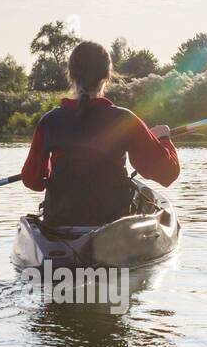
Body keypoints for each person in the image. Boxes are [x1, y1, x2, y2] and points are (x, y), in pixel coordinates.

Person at [19, 41, 179, 226]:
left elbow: (33, 181)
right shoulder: (125, 120)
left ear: (71, 75)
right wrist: (164, 139)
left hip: (60, 223)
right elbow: (168, 174)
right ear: (107, 76)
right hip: (112, 227)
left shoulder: (49, 121)